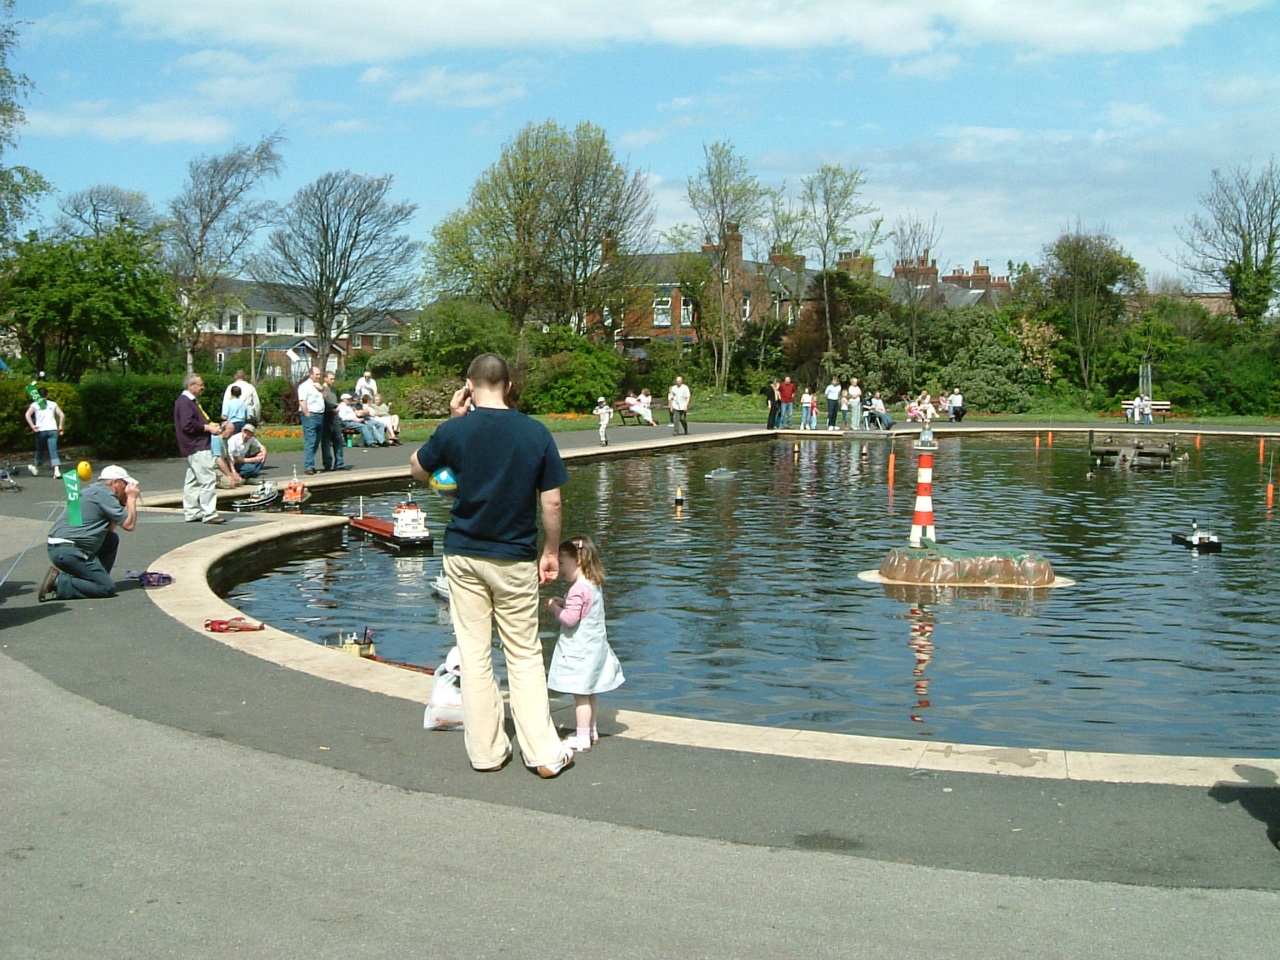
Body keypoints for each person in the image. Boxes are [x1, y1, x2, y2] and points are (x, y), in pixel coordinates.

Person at [409, 352, 575, 779]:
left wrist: (452, 419)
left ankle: (486, 752)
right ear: (509, 385)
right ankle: (542, 753)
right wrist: (550, 551)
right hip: (514, 556)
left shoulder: (454, 431)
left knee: (474, 653)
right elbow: (552, 503)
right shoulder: (535, 432)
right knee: (523, 653)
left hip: (463, 553)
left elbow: (417, 469)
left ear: (468, 385)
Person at [546, 535, 624, 753]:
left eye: (562, 562)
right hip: (595, 650)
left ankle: (582, 738)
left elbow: (570, 619)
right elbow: (583, 610)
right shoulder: (593, 585)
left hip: (579, 651)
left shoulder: (578, 589)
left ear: (578, 560)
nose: (560, 568)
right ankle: (591, 731)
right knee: (590, 693)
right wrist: (565, 602)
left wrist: (555, 608)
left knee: (580, 697)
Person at [39, 464, 139, 602]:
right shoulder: (104, 494)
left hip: (61, 548)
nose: (127, 488)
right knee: (106, 588)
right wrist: (131, 499)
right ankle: (58, 582)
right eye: (125, 484)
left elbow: (108, 530)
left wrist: (122, 503)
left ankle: (94, 578)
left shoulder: (94, 490)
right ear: (115, 483)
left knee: (110, 539)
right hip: (69, 550)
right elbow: (129, 525)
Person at [174, 373, 225, 524]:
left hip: (192, 446)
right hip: (197, 445)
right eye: (200, 384)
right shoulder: (185, 402)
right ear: (191, 386)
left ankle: (192, 512)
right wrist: (208, 428)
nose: (203, 387)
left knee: (193, 481)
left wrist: (210, 425)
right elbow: (187, 425)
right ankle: (209, 513)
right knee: (207, 479)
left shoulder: (188, 401)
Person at [24, 387, 66, 478]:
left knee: (40, 450)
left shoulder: (35, 404)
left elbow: (27, 415)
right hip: (52, 429)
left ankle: (36, 468)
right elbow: (62, 415)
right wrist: (60, 426)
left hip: (41, 430)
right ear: (47, 395)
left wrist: (33, 426)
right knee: (53, 450)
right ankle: (56, 471)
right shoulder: (53, 404)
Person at [297, 366, 326, 475]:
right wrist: (307, 414)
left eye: (319, 374)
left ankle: (311, 464)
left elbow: (326, 398)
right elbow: (302, 401)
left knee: (316, 442)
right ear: (311, 374)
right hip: (311, 416)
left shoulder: (319, 386)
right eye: (316, 374)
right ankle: (308, 466)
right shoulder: (304, 386)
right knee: (311, 441)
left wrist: (322, 389)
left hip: (320, 415)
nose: (319, 376)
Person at [321, 371, 347, 471]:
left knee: (338, 439)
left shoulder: (333, 390)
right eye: (331, 379)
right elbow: (322, 403)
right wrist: (331, 409)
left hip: (335, 416)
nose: (333, 381)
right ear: (325, 378)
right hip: (326, 416)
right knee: (326, 441)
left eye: (334, 379)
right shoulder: (322, 389)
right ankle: (327, 463)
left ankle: (339, 462)